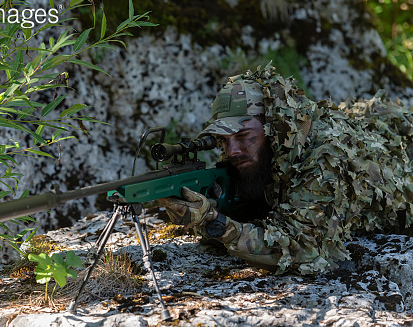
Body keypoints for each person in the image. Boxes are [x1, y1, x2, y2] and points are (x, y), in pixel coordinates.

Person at [157, 63, 413, 275]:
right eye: (223, 140)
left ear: (273, 128)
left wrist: (216, 223)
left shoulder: (324, 158)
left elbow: (304, 249)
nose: (232, 150)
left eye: (244, 135)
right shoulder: (267, 152)